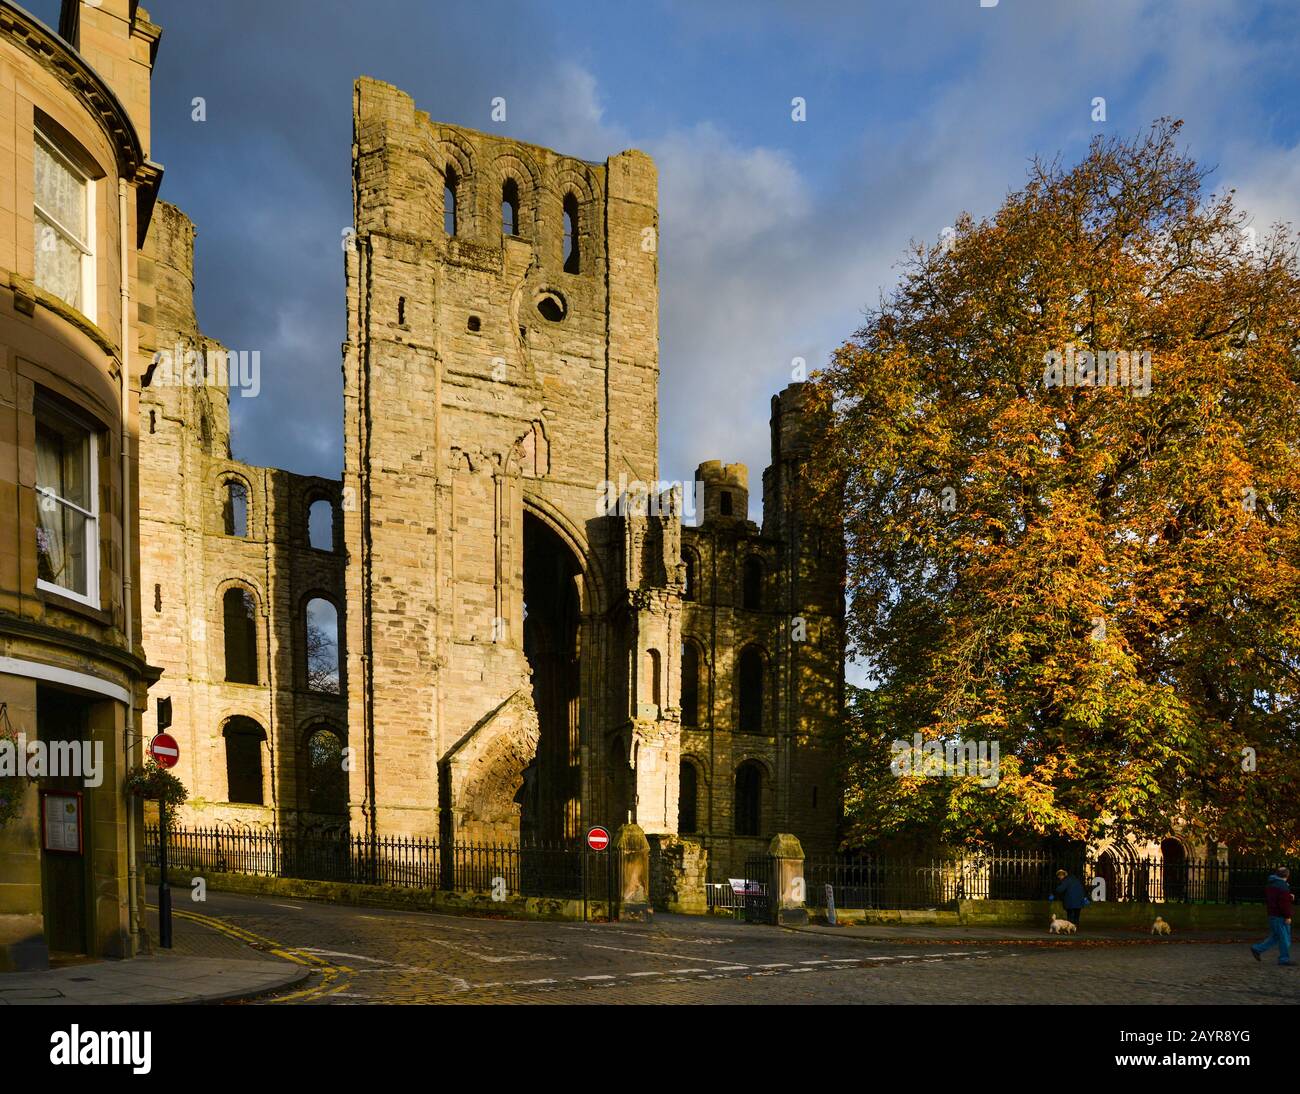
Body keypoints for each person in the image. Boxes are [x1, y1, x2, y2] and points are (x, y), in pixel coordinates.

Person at [1250, 866, 1294, 967]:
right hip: (1280, 916)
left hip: (1272, 914)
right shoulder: (1283, 886)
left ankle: (1257, 949)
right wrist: (1287, 916)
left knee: (1275, 937)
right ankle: (1284, 959)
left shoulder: (1272, 884)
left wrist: (1288, 897)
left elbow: (1275, 899)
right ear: (1287, 875)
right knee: (1284, 938)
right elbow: (1283, 904)